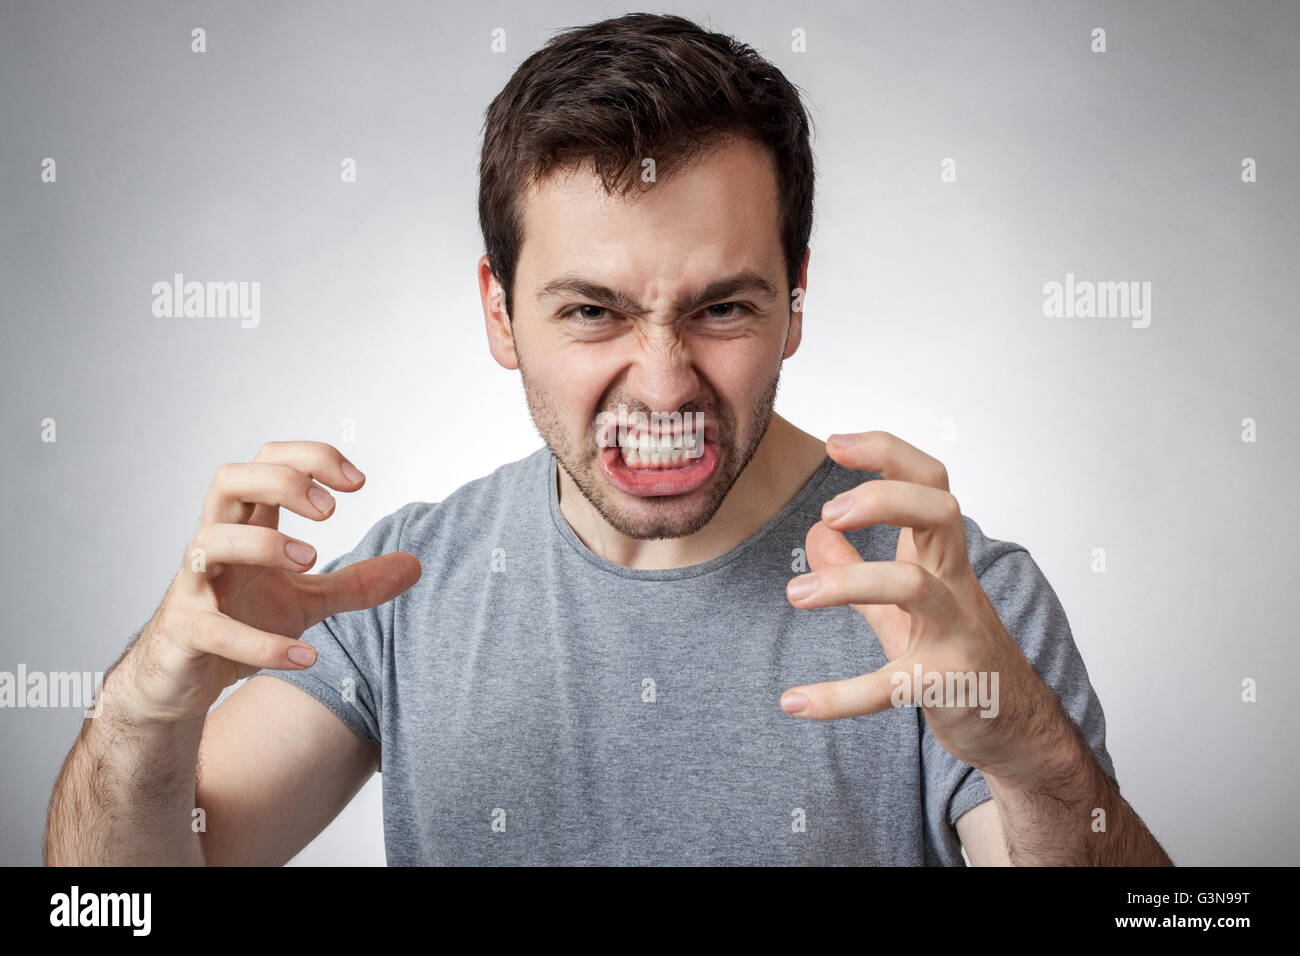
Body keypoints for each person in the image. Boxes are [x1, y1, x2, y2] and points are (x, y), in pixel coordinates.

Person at [44, 12, 1171, 866]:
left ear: (793, 299)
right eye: (592, 311)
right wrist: (149, 700)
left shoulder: (950, 598)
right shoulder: (401, 589)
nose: (662, 375)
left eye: (722, 307)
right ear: (500, 313)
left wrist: (1033, 755)